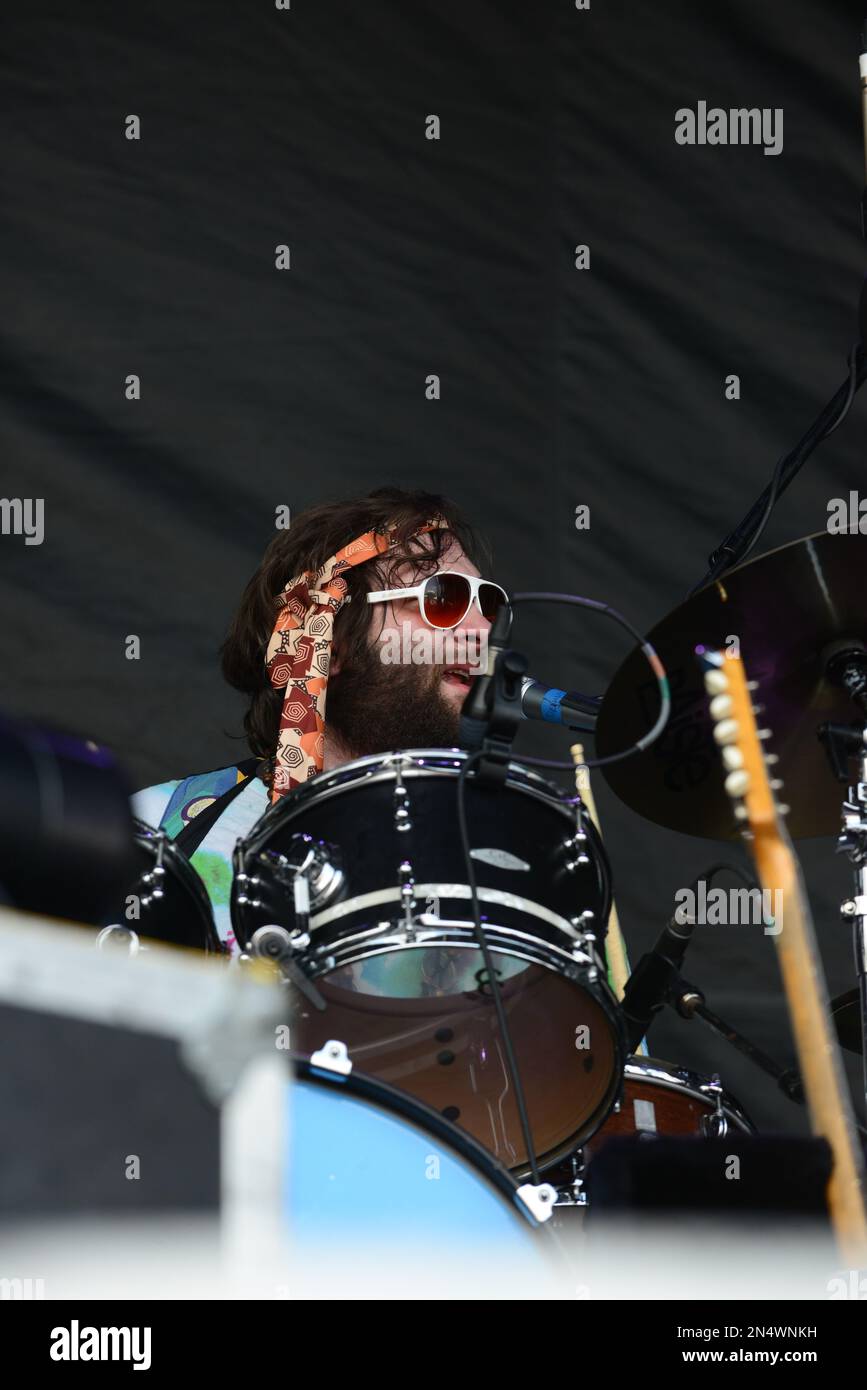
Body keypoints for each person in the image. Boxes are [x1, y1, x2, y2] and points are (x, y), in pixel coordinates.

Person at [132, 486, 508, 952]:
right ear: (326, 644)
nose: (483, 632)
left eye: (487, 604)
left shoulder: (511, 871)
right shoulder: (155, 832)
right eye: (442, 598)